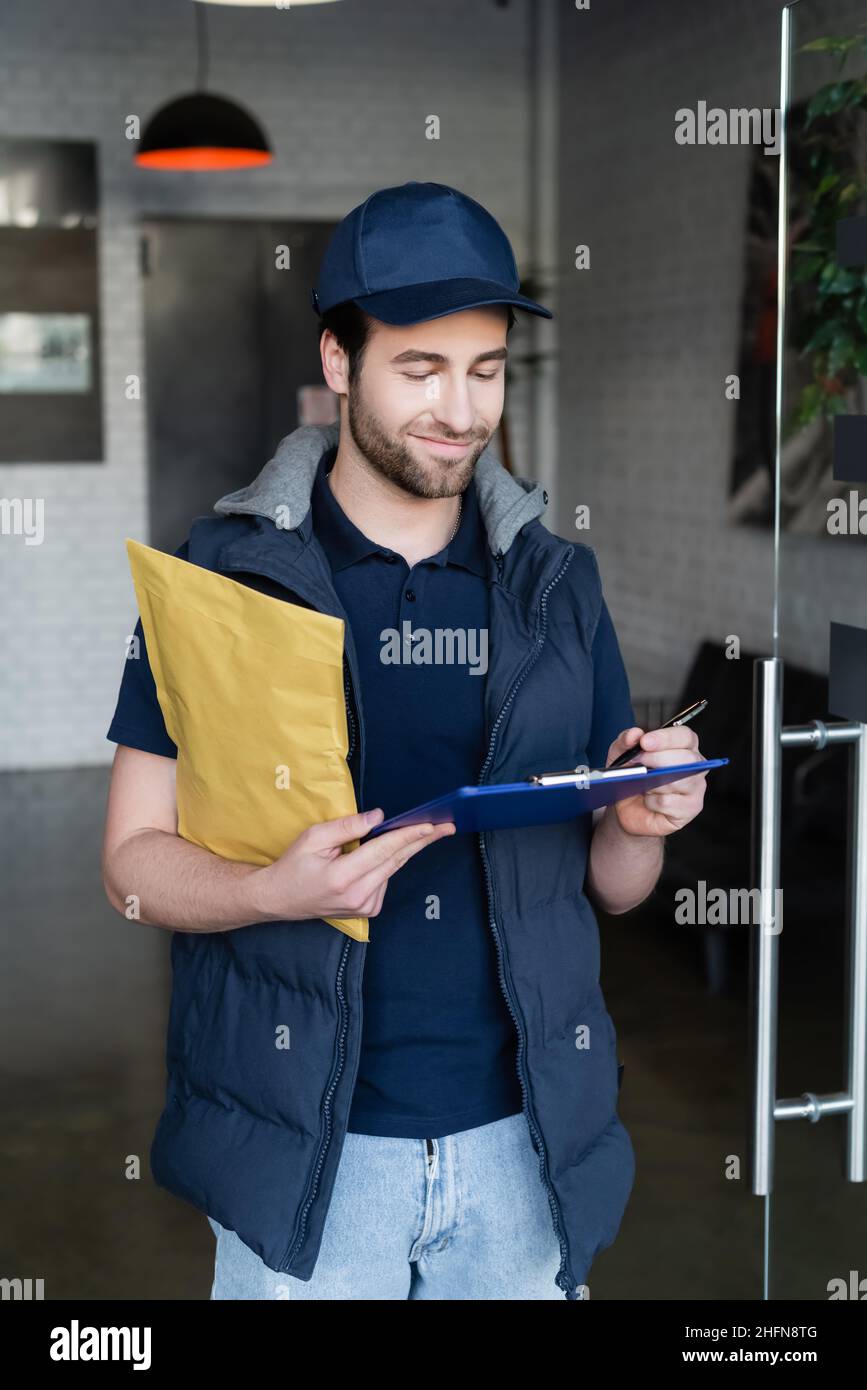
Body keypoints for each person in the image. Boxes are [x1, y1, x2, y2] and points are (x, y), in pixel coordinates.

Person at [101, 180, 708, 1300]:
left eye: (485, 371)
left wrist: (640, 819)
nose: (461, 411)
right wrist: (269, 891)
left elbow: (617, 887)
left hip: (523, 1149)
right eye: (420, 369)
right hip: (310, 1159)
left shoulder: (556, 585)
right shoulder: (220, 580)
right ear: (339, 361)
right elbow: (132, 861)